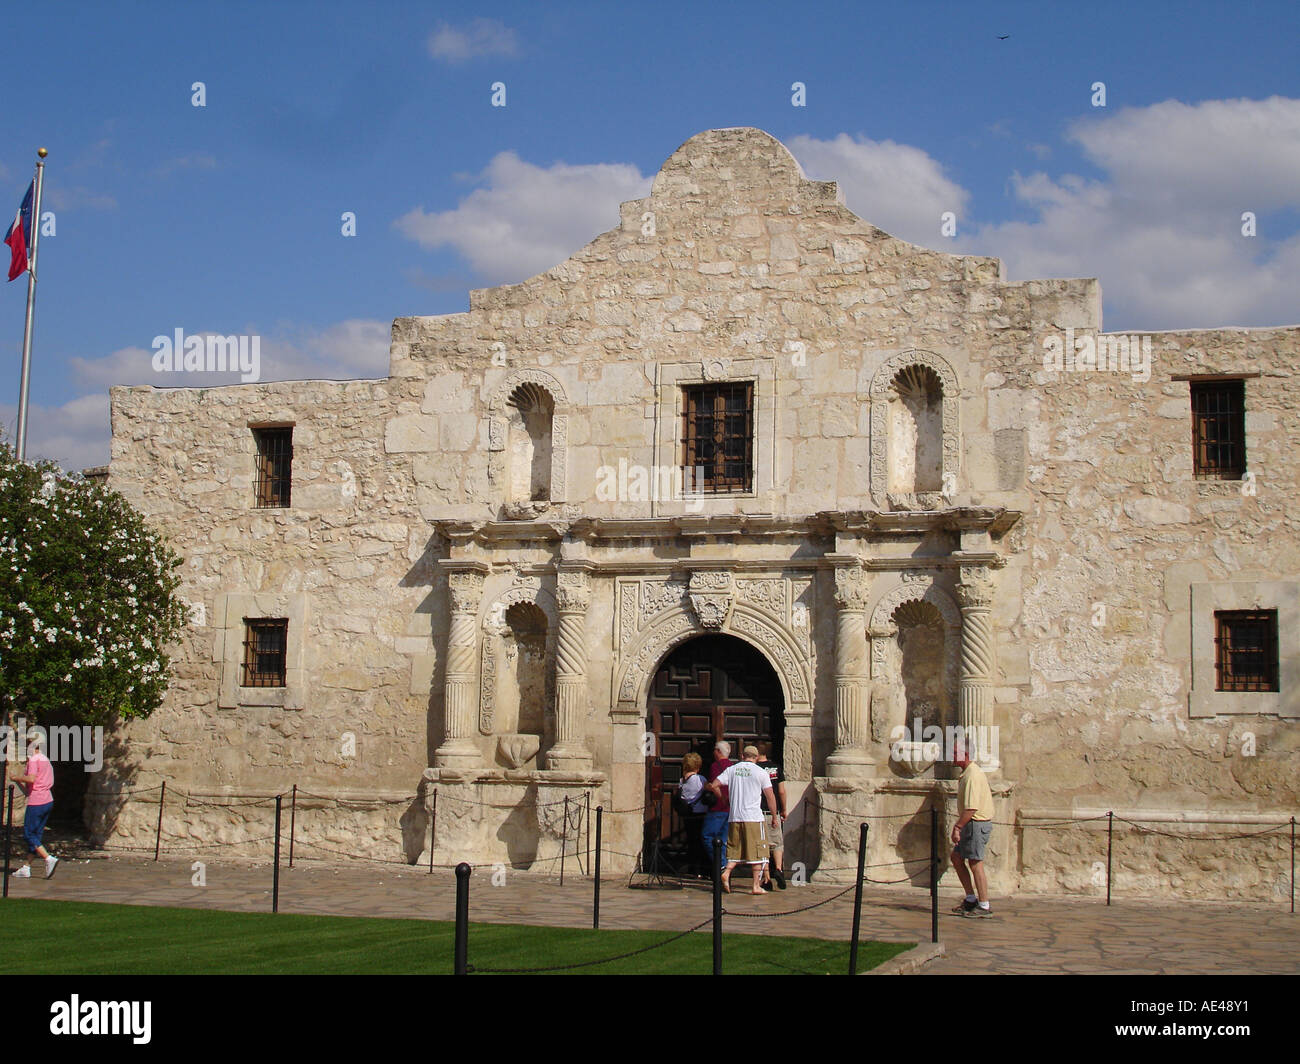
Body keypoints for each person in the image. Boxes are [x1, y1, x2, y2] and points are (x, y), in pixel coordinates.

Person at [706, 745, 778, 895]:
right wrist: (774, 816)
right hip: (753, 817)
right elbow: (770, 796)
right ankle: (755, 885)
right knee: (758, 851)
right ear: (756, 757)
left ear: (742, 756)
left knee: (735, 850)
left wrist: (724, 799)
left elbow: (714, 785)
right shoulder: (760, 772)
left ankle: (726, 873)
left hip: (735, 817)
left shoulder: (733, 769)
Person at [950, 739, 993, 917]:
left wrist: (957, 827)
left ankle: (984, 905)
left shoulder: (972, 775)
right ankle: (970, 899)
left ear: (964, 754)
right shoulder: (967, 773)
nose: (951, 756)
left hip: (975, 823)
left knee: (975, 863)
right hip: (970, 824)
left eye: (954, 752)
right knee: (957, 858)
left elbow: (971, 808)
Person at [11, 728, 58, 880]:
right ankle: (26, 867)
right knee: (36, 835)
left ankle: (48, 858)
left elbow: (31, 779)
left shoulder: (33, 760)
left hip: (37, 801)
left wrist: (17, 776)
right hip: (47, 800)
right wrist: (19, 780)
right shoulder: (45, 759)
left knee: (28, 834)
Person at [755, 741, 787, 889]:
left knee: (763, 845)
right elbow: (781, 791)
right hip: (773, 811)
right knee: (777, 843)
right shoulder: (776, 768)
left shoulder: (754, 769)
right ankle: (779, 868)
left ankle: (766, 877)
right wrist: (783, 809)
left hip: (758, 811)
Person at [700, 740, 733, 872]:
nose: (713, 752)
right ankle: (724, 869)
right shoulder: (732, 766)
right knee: (723, 841)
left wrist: (709, 787)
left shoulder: (715, 766)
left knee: (707, 836)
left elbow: (715, 786)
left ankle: (722, 865)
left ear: (718, 752)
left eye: (714, 749)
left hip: (718, 807)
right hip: (730, 809)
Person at [676, 752, 709, 877]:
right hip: (700, 814)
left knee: (691, 841)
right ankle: (701, 870)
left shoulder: (682, 780)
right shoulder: (700, 779)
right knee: (700, 842)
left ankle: (692, 869)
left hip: (688, 814)